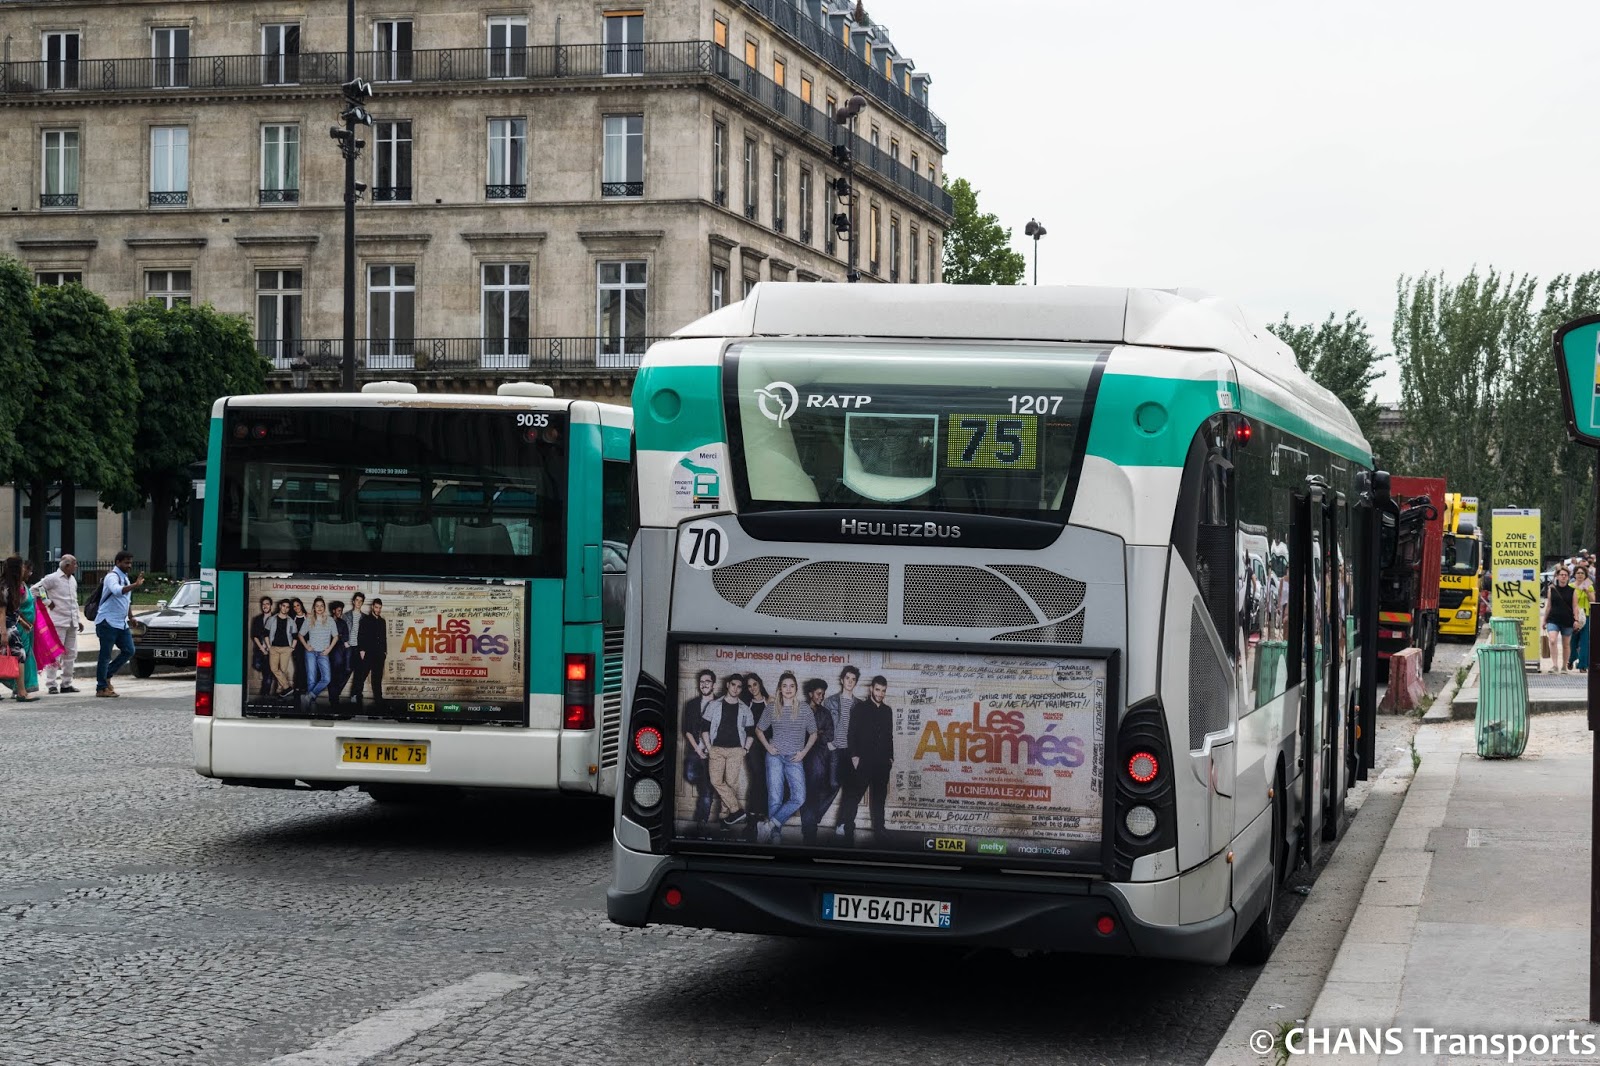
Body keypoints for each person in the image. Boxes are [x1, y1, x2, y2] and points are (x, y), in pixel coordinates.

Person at [756, 671, 817, 844]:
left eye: (791, 686)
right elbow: (759, 730)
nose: (788, 689)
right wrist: (768, 746)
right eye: (784, 686)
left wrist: (803, 752)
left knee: (799, 797)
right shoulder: (772, 707)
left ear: (796, 688)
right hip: (774, 757)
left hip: (794, 758)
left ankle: (768, 825)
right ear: (780, 689)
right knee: (775, 796)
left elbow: (813, 734)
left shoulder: (804, 708)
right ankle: (775, 834)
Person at [836, 675, 895, 837]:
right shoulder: (860, 708)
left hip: (882, 763)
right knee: (853, 796)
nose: (880, 694)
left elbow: (889, 736)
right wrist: (854, 757)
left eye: (883, 691)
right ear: (871, 689)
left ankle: (880, 828)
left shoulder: (887, 711)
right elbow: (851, 734)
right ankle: (847, 827)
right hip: (863, 761)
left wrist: (890, 758)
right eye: (878, 690)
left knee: (879, 798)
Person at [700, 674, 753, 826]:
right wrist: (709, 747)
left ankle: (725, 818)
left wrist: (745, 750)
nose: (736, 689)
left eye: (739, 686)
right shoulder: (714, 705)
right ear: (728, 685)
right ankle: (737, 810)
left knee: (730, 784)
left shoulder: (745, 709)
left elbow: (750, 733)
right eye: (733, 685)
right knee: (716, 781)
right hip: (716, 749)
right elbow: (704, 728)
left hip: (736, 750)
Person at [94, 551, 145, 698]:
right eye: (126, 562)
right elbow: (117, 592)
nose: (129, 565)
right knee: (105, 655)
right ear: (117, 562)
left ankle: (107, 675)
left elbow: (126, 600)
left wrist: (131, 616)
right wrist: (135, 585)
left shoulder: (125, 578)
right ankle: (101, 687)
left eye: (130, 562)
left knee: (129, 650)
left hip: (120, 623)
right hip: (107, 622)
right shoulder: (112, 577)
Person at [33, 555, 84, 694]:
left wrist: (78, 619)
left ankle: (66, 683)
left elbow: (74, 601)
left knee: (71, 653)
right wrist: (47, 602)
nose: (76, 566)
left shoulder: (72, 580)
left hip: (71, 621)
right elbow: (36, 589)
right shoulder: (53, 578)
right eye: (74, 564)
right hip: (58, 622)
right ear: (67, 565)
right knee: (55, 654)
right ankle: (51, 684)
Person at [823, 666, 860, 836]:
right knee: (833, 784)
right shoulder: (830, 701)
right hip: (836, 750)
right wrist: (829, 744)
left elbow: (861, 732)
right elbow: (823, 725)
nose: (850, 681)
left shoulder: (859, 705)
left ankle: (843, 824)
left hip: (851, 752)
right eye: (847, 678)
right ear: (842, 680)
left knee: (851, 790)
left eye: (853, 679)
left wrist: (857, 753)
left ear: (855, 682)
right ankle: (812, 816)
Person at [799, 678, 834, 844]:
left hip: (818, 756)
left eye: (823, 694)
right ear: (810, 694)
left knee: (816, 789)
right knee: (806, 792)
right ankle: (809, 827)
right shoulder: (799, 709)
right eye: (819, 693)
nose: (821, 696)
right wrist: (816, 733)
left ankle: (810, 824)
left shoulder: (825, 713)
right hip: (800, 755)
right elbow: (796, 733)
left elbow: (829, 735)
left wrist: (815, 734)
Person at [0, 557, 40, 701]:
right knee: (20, 654)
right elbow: (2, 611)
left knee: (18, 655)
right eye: (22, 566)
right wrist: (3, 632)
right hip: (7, 625)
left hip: (11, 623)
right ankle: (22, 692)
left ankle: (21, 690)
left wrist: (22, 623)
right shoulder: (5, 586)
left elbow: (14, 610)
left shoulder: (13, 586)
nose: (24, 569)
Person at [680, 669, 717, 828]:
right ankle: (707, 784)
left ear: (713, 684)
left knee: (706, 791)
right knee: (689, 774)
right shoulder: (692, 704)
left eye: (707, 681)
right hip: (696, 750)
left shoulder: (720, 704)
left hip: (714, 753)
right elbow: (687, 730)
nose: (704, 685)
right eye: (702, 682)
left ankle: (702, 820)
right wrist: (698, 749)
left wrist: (710, 750)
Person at [298, 596, 339, 706]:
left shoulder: (330, 620)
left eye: (321, 606)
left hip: (323, 653)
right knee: (311, 679)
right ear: (314, 608)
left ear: (324, 607)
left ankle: (309, 696)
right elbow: (300, 635)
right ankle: (311, 702)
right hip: (310, 652)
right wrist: (307, 646)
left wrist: (329, 649)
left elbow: (336, 636)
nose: (319, 608)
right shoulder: (309, 619)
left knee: (327, 678)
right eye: (317, 606)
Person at [742, 672, 771, 821]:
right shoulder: (747, 704)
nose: (752, 688)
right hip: (753, 745)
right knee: (757, 775)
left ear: (759, 683)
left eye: (755, 684)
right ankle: (753, 811)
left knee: (766, 777)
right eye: (749, 686)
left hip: (768, 745)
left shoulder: (770, 701)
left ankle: (762, 812)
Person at [1542, 566, 1577, 673]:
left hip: (1567, 620)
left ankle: (1564, 666)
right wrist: (1544, 619)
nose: (1563, 577)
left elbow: (1575, 606)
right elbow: (1549, 606)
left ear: (1568, 577)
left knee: (1566, 644)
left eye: (1565, 575)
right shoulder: (1552, 589)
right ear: (1557, 576)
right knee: (1552, 640)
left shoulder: (1572, 591)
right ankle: (1555, 665)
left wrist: (1576, 619)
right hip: (1553, 618)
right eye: (1561, 575)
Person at [356, 597, 388, 702]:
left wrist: (384, 652)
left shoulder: (383, 621)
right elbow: (360, 635)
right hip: (368, 653)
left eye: (380, 608)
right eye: (376, 607)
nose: (378, 610)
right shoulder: (365, 620)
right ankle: (357, 696)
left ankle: (378, 699)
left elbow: (384, 637)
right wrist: (361, 650)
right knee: (362, 676)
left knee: (377, 678)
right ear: (372, 607)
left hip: (379, 654)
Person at [266, 599, 296, 696]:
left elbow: (295, 636)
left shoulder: (291, 621)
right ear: (280, 606)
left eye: (287, 607)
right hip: (273, 648)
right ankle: (287, 687)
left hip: (286, 649)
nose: (285, 608)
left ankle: (280, 692)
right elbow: (265, 634)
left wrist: (292, 648)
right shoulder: (271, 619)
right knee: (274, 669)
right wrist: (269, 646)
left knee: (282, 670)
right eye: (283, 606)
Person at [250, 594, 276, 699]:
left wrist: (270, 649)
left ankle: (264, 695)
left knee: (267, 675)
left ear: (271, 606)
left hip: (272, 651)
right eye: (263, 604)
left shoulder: (276, 618)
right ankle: (270, 673)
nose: (265, 606)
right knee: (256, 665)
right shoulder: (257, 619)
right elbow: (254, 635)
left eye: (267, 604)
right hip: (260, 650)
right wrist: (262, 648)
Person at [342, 592, 366, 700]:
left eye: (361, 601)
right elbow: (340, 631)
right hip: (348, 648)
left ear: (362, 603)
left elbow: (366, 635)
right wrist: (344, 642)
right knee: (346, 672)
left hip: (359, 648)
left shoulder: (365, 618)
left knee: (359, 673)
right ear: (353, 601)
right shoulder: (346, 615)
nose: (358, 602)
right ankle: (335, 693)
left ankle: (355, 695)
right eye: (357, 600)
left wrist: (364, 649)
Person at [327, 600, 351, 704]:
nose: (340, 612)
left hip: (340, 650)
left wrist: (338, 637)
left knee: (347, 669)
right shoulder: (327, 621)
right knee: (331, 674)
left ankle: (335, 693)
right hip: (328, 650)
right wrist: (338, 636)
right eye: (338, 610)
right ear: (333, 611)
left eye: (341, 610)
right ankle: (334, 696)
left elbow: (346, 637)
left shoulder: (343, 623)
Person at [1573, 565, 1594, 672]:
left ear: (1585, 575)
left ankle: (1583, 665)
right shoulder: (1570, 586)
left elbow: (1593, 601)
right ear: (1574, 574)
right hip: (1573, 616)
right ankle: (1572, 658)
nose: (1580, 575)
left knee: (1585, 641)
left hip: (1585, 616)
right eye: (1578, 573)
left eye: (1582, 573)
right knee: (1572, 641)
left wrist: (1587, 592)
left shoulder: (1589, 586)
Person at [289, 598, 309, 694]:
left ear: (301, 605)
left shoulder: (308, 617)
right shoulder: (292, 619)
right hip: (297, 646)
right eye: (294, 606)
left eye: (298, 605)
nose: (296, 607)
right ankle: (298, 686)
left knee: (306, 666)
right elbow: (291, 634)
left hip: (308, 645)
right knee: (299, 666)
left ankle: (304, 687)